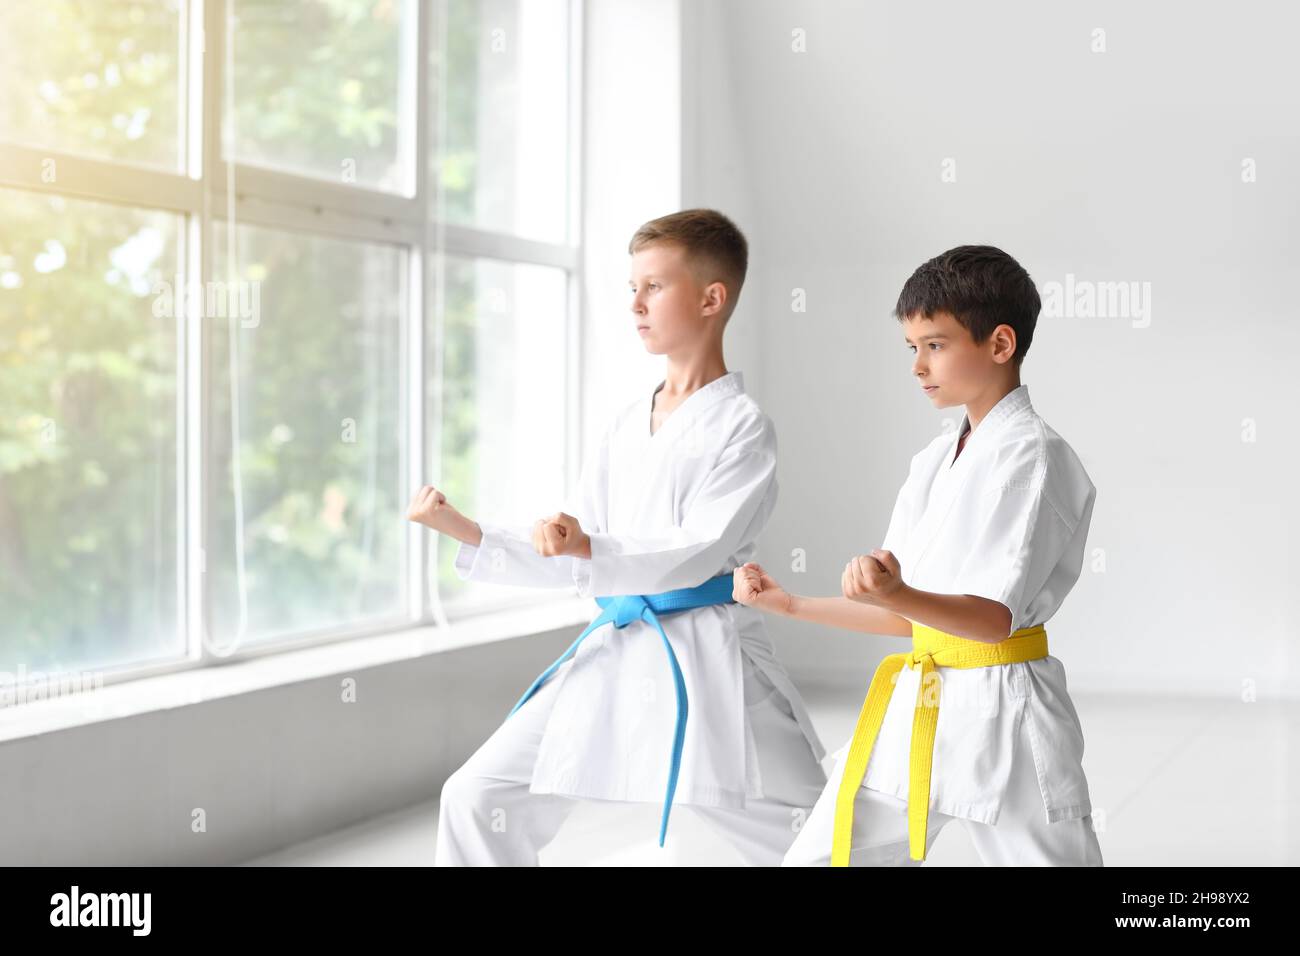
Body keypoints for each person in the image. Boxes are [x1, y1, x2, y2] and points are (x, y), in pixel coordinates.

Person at [411, 209, 827, 866]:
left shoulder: (744, 427)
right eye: (631, 287)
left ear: (712, 299)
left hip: (707, 654)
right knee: (474, 796)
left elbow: (699, 550)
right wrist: (469, 532)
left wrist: (588, 548)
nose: (634, 304)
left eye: (654, 287)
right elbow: (575, 550)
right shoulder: (626, 424)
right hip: (616, 646)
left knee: (823, 834)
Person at [737, 245, 1103, 866]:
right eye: (911, 347)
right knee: (824, 858)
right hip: (923, 702)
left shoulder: (1035, 458)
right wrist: (790, 603)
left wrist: (896, 593)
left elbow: (993, 620)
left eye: (934, 344)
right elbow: (906, 620)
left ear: (1000, 343)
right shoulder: (934, 460)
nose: (917, 366)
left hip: (1006, 716)